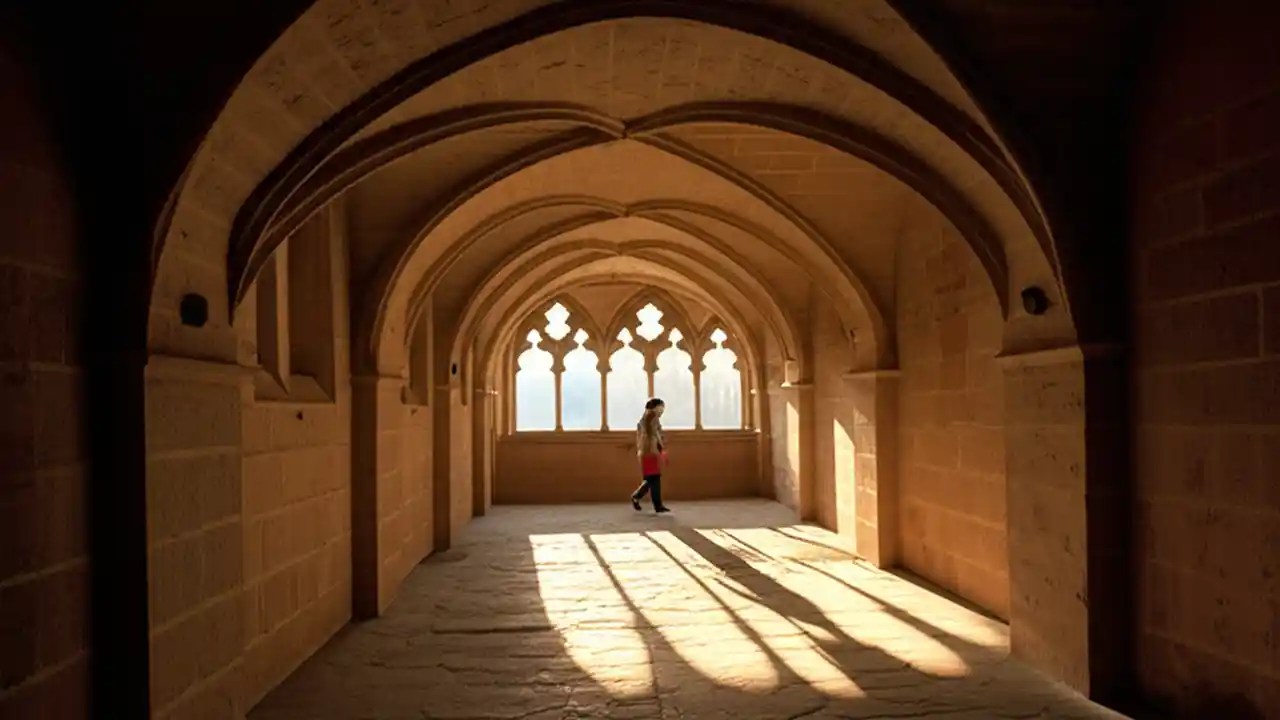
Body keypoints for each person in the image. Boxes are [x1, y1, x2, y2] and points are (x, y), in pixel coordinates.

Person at [631, 398, 671, 513]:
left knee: (651, 478)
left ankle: (639, 498)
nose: (662, 411)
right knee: (654, 477)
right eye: (661, 408)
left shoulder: (647, 418)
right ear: (655, 407)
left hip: (646, 451)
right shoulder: (651, 417)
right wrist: (661, 447)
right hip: (649, 451)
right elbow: (654, 434)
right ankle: (655, 504)